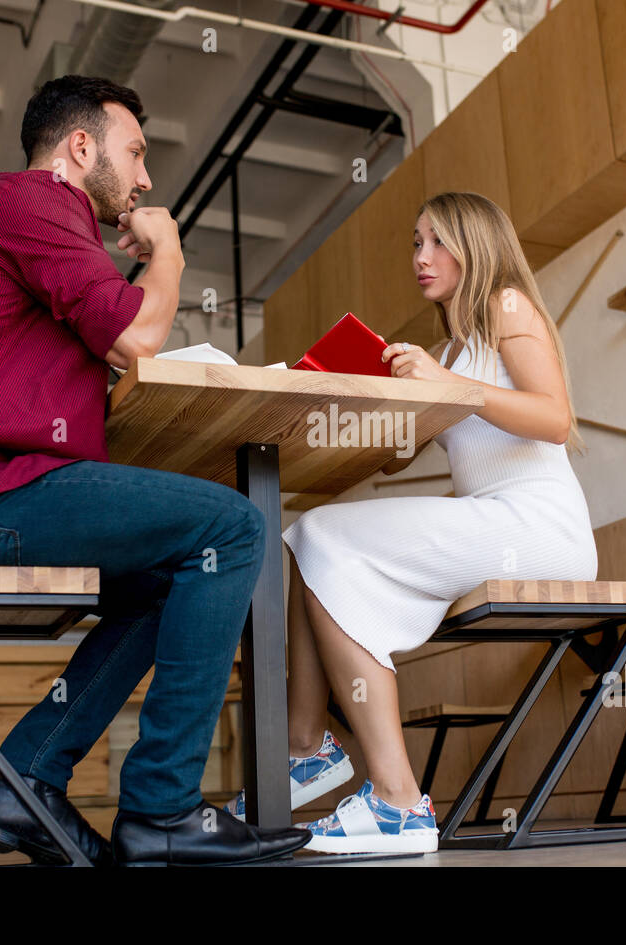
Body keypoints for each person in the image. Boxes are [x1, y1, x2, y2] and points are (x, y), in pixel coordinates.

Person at [0, 75, 309, 867]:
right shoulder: (35, 199)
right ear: (80, 147)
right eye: (136, 153)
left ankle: (25, 781)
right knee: (232, 525)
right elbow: (140, 340)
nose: (146, 178)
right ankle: (162, 810)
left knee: (171, 575)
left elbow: (112, 337)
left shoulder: (30, 226)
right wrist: (170, 250)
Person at [225, 191, 598, 853]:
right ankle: (310, 750)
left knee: (319, 533)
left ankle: (387, 794)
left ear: (473, 246)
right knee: (310, 534)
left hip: (539, 528)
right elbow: (399, 459)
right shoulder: (449, 352)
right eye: (415, 243)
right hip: (495, 520)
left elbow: (554, 417)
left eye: (437, 242)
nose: (421, 258)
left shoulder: (505, 306)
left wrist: (448, 388)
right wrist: (380, 396)